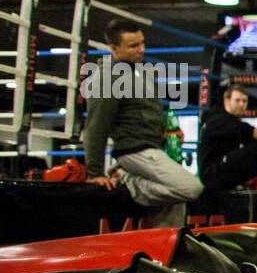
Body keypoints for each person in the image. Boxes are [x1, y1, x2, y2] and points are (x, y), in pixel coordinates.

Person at [83, 18, 203, 227]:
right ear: (113, 48)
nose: (141, 49)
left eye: (142, 43)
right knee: (190, 188)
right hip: (134, 151)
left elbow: (148, 113)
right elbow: (96, 127)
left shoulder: (139, 72)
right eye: (133, 46)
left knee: (175, 202)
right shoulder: (105, 78)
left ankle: (166, 254)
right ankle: (130, 183)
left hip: (152, 148)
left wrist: (168, 132)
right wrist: (94, 173)